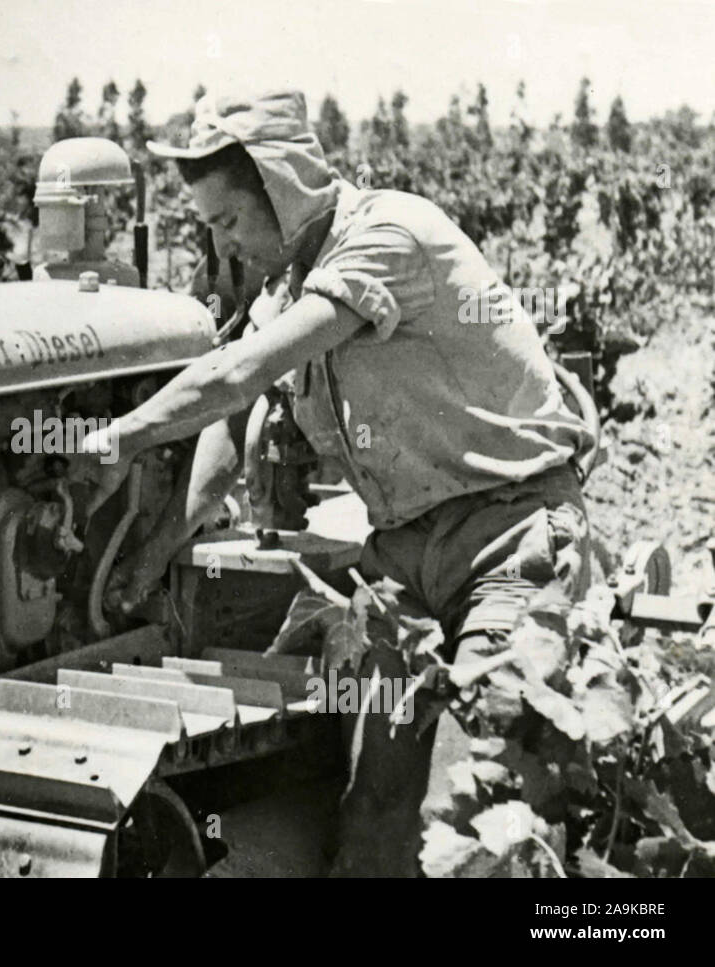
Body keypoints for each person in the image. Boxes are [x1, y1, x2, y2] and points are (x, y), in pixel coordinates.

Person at [77, 88, 596, 876]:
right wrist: (153, 552)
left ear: (283, 188)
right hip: (403, 556)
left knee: (500, 788)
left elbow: (238, 371)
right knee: (376, 804)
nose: (228, 246)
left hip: (509, 537)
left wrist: (123, 432)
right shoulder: (290, 280)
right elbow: (232, 413)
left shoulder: (385, 236)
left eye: (230, 223)